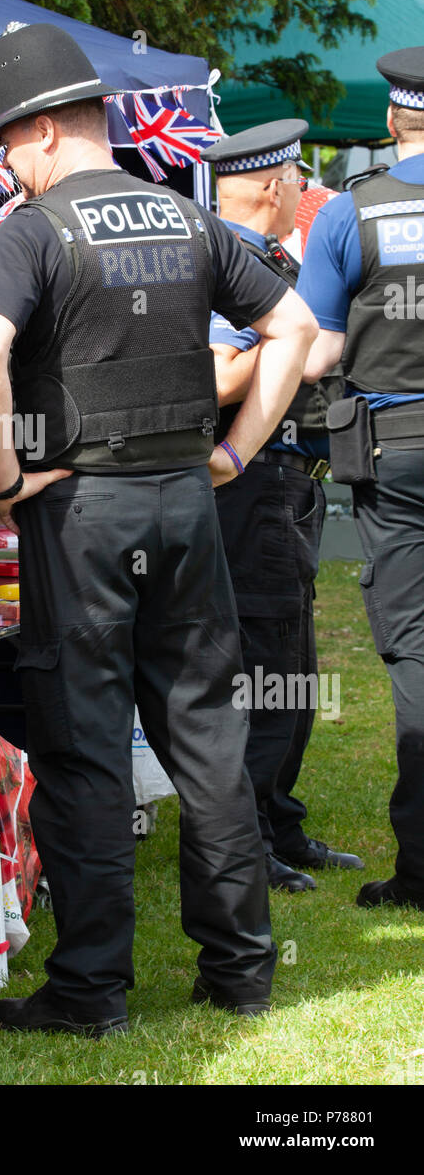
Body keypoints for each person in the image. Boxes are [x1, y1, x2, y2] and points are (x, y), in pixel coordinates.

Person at [0, 22, 318, 1035]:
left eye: (2, 149)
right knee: (206, 738)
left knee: (82, 752)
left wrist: (4, 477)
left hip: (80, 513)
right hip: (184, 507)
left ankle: (88, 990)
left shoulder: (32, 230)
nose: (6, 168)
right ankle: (240, 970)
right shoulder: (186, 218)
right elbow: (289, 330)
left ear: (33, 134)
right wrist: (234, 453)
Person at [201, 122, 363, 893]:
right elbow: (220, 374)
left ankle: (281, 821)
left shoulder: (265, 260)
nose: (303, 186)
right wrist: (293, 338)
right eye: (297, 176)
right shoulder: (227, 263)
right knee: (264, 666)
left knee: (294, 664)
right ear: (271, 187)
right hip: (253, 486)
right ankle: (251, 843)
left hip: (288, 486)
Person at [298, 45, 424, 912]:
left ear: (391, 119)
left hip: (396, 451)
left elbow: (317, 344)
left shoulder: (352, 213)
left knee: (415, 648)